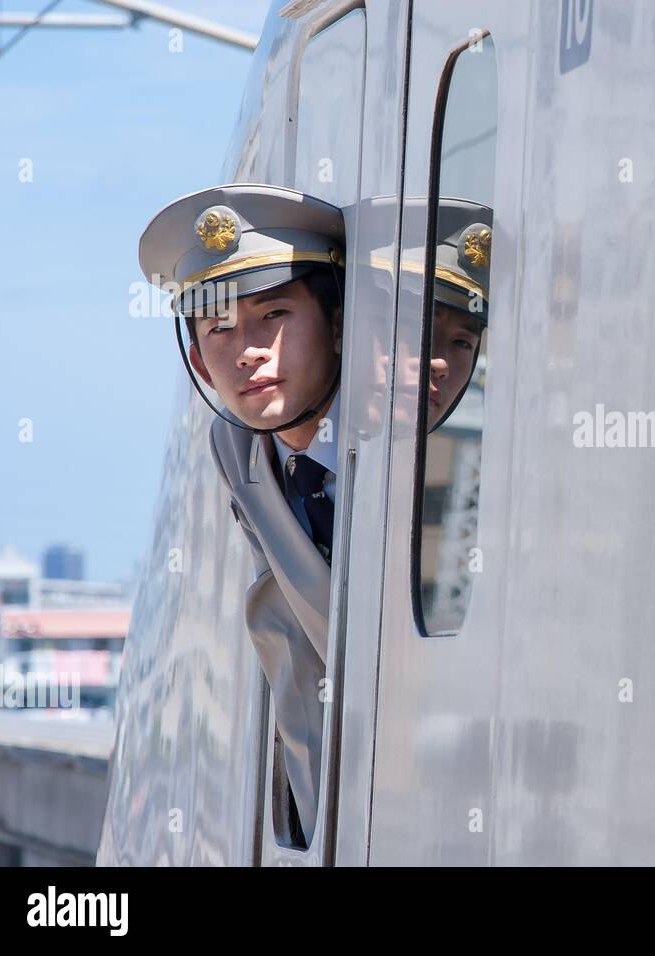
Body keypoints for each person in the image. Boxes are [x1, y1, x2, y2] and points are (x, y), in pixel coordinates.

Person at [138, 184, 492, 847]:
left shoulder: (437, 461)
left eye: (273, 315)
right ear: (198, 364)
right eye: (218, 329)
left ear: (337, 328)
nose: (247, 350)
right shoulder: (239, 449)